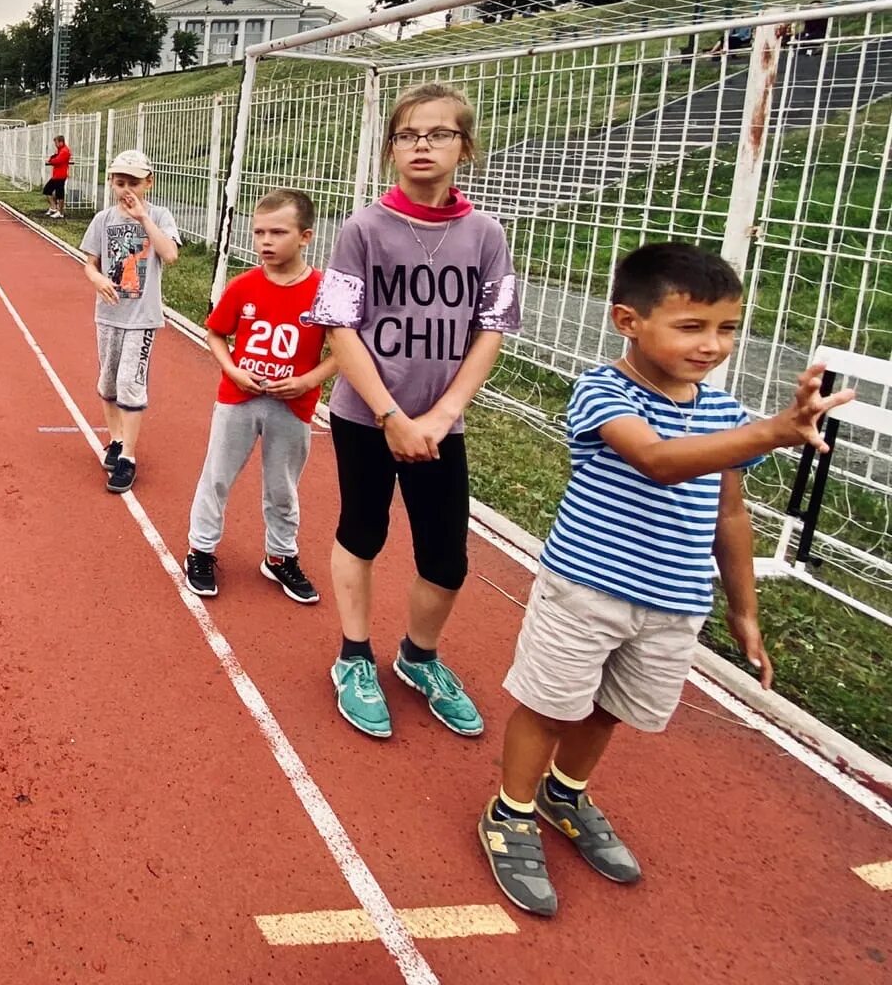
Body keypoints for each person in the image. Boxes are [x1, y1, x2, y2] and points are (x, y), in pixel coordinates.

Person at [477, 243, 852, 917]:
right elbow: (656, 460)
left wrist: (745, 610)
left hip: (675, 600)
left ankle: (567, 792)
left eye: (727, 328)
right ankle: (512, 810)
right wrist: (770, 432)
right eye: (691, 326)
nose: (712, 345)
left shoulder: (725, 412)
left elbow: (729, 511)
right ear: (628, 319)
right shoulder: (603, 390)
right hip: (587, 588)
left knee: (612, 707)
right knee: (550, 703)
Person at [304, 81, 521, 741]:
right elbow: (341, 326)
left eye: (438, 134)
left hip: (439, 423)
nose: (422, 145)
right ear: (390, 148)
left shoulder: (485, 234)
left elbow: (492, 328)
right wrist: (391, 414)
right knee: (363, 530)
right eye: (407, 135)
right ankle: (354, 655)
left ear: (465, 146)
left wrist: (440, 413)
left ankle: (419, 656)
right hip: (366, 416)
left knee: (445, 557)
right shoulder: (363, 229)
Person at [183, 189, 335, 603]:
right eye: (259, 232)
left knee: (282, 487)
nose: (265, 241)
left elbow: (343, 353)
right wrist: (231, 368)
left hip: (294, 405)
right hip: (238, 399)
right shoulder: (243, 286)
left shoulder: (324, 290)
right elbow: (215, 332)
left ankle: (281, 556)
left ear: (305, 237)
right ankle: (200, 548)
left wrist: (307, 383)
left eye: (278, 232)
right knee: (217, 476)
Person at [81, 149, 181, 494]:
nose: (126, 189)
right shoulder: (103, 220)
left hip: (141, 318)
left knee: (129, 383)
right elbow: (89, 263)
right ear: (110, 182)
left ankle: (129, 457)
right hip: (108, 315)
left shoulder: (159, 215)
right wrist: (96, 279)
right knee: (108, 383)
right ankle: (116, 439)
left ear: (148, 184)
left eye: (134, 183)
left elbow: (169, 255)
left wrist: (143, 219)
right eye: (119, 182)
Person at [42, 134, 72, 219]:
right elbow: (54, 158)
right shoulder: (60, 150)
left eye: (56, 143)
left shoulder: (64, 151)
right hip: (56, 175)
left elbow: (57, 161)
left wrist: (51, 160)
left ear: (61, 142)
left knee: (59, 194)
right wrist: (52, 159)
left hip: (60, 175)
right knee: (48, 190)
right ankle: (54, 207)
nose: (55, 145)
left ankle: (60, 211)